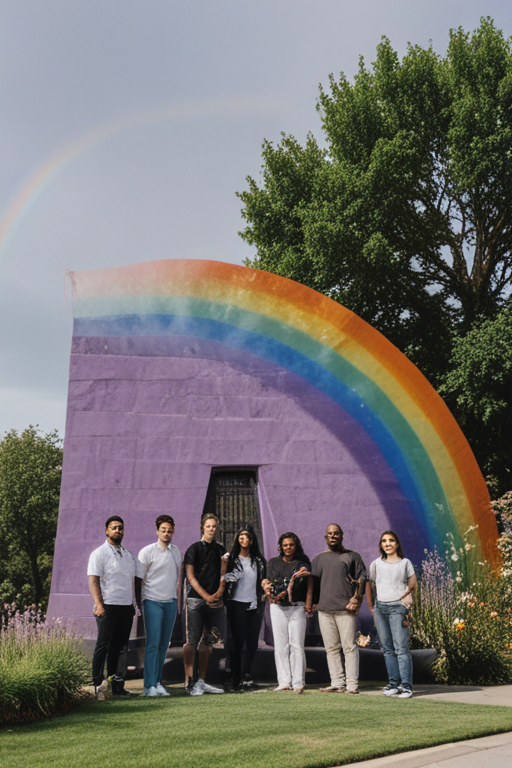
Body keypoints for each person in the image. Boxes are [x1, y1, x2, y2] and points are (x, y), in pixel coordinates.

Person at [309, 524, 366, 694]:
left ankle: (352, 684)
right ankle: (337, 683)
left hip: (345, 610)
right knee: (331, 648)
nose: (333, 536)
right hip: (325, 610)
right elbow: (313, 583)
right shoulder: (318, 559)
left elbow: (363, 579)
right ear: (325, 538)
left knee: (349, 647)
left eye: (336, 533)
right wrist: (311, 603)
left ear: (342, 536)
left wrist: (358, 598)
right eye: (329, 534)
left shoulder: (352, 556)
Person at [87, 516, 137, 699]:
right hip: (107, 606)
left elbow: (133, 580)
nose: (118, 530)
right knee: (103, 645)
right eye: (114, 527)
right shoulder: (99, 553)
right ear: (106, 530)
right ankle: (98, 685)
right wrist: (99, 604)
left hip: (125, 607)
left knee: (119, 647)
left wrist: (133, 604)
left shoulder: (127, 554)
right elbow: (93, 580)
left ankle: (117, 685)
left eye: (121, 528)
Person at [366, 530, 417, 698]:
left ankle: (406, 686)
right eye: (384, 541)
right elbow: (371, 585)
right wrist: (373, 608)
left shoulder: (405, 563)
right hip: (381, 609)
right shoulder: (375, 564)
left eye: (391, 541)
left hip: (398, 608)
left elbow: (413, 585)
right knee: (387, 649)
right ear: (380, 545)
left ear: (397, 544)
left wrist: (407, 608)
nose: (387, 544)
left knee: (401, 648)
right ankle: (393, 684)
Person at [262, 532, 313, 694]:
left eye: (291, 544)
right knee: (281, 645)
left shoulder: (302, 563)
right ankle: (284, 681)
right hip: (277, 607)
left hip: (297, 607)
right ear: (280, 547)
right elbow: (268, 582)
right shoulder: (273, 563)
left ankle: (298, 681)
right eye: (285, 545)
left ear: (296, 545)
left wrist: (309, 603)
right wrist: (270, 593)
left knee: (296, 644)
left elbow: (309, 583)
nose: (288, 548)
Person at [136, 515, 181, 697]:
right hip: (152, 601)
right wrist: (139, 602)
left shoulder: (176, 551)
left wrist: (176, 601)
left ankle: (158, 682)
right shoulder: (147, 552)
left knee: (164, 646)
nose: (166, 533)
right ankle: (148, 686)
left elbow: (176, 578)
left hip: (170, 602)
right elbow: (139, 579)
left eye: (169, 530)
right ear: (157, 531)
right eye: (163, 529)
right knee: (153, 645)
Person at [182, 513, 226, 695]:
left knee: (208, 642)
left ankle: (201, 681)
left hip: (215, 602)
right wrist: (205, 596)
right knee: (192, 640)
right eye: (208, 526)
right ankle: (189, 682)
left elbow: (224, 574)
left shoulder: (221, 550)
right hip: (195, 601)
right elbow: (190, 577)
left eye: (214, 526)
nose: (211, 529)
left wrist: (219, 593)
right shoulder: (193, 549)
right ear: (203, 527)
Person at [221, 524, 267, 692]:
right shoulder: (231, 558)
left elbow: (263, 581)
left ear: (252, 540)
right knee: (237, 642)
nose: (244, 539)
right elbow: (224, 578)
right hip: (236, 603)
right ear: (237, 540)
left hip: (254, 604)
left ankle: (246, 674)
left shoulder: (259, 561)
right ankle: (234, 677)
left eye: (247, 536)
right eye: (241, 536)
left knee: (252, 642)